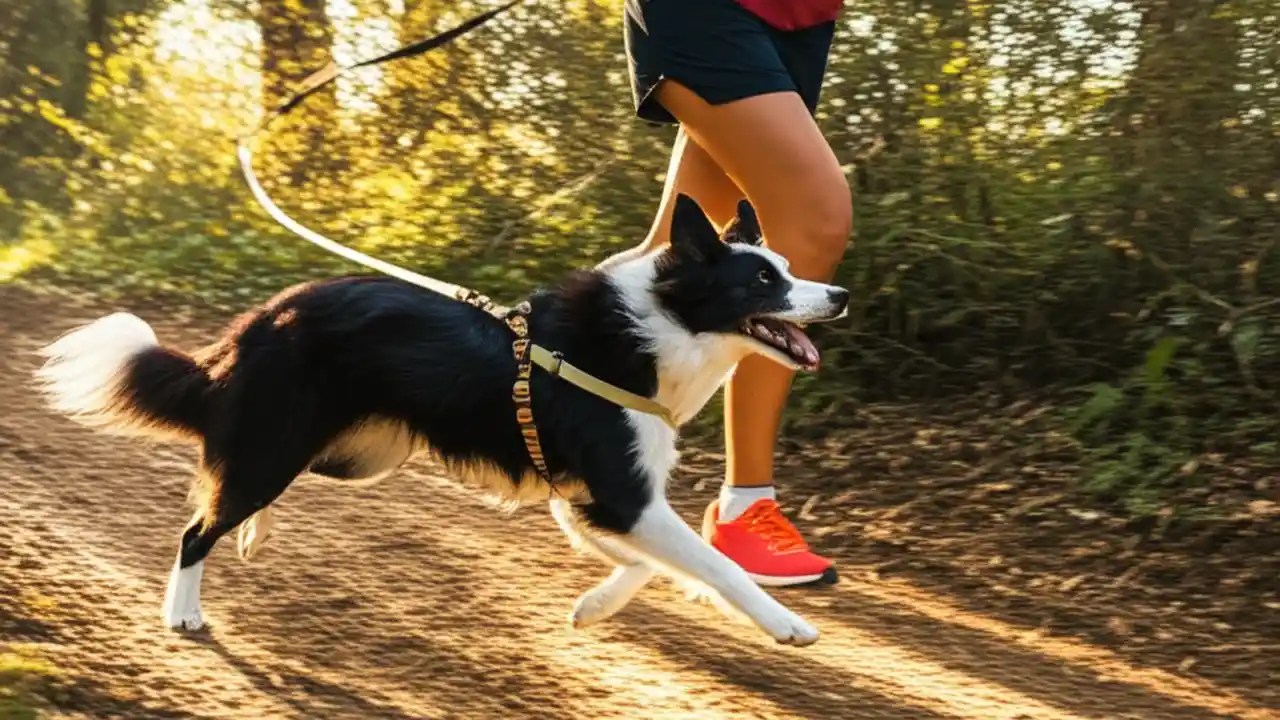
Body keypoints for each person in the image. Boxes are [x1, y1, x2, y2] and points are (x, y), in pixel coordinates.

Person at [602, 0, 850, 586]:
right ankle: (746, 505)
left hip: (801, 16)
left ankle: (534, 385)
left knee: (667, 251)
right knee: (813, 218)